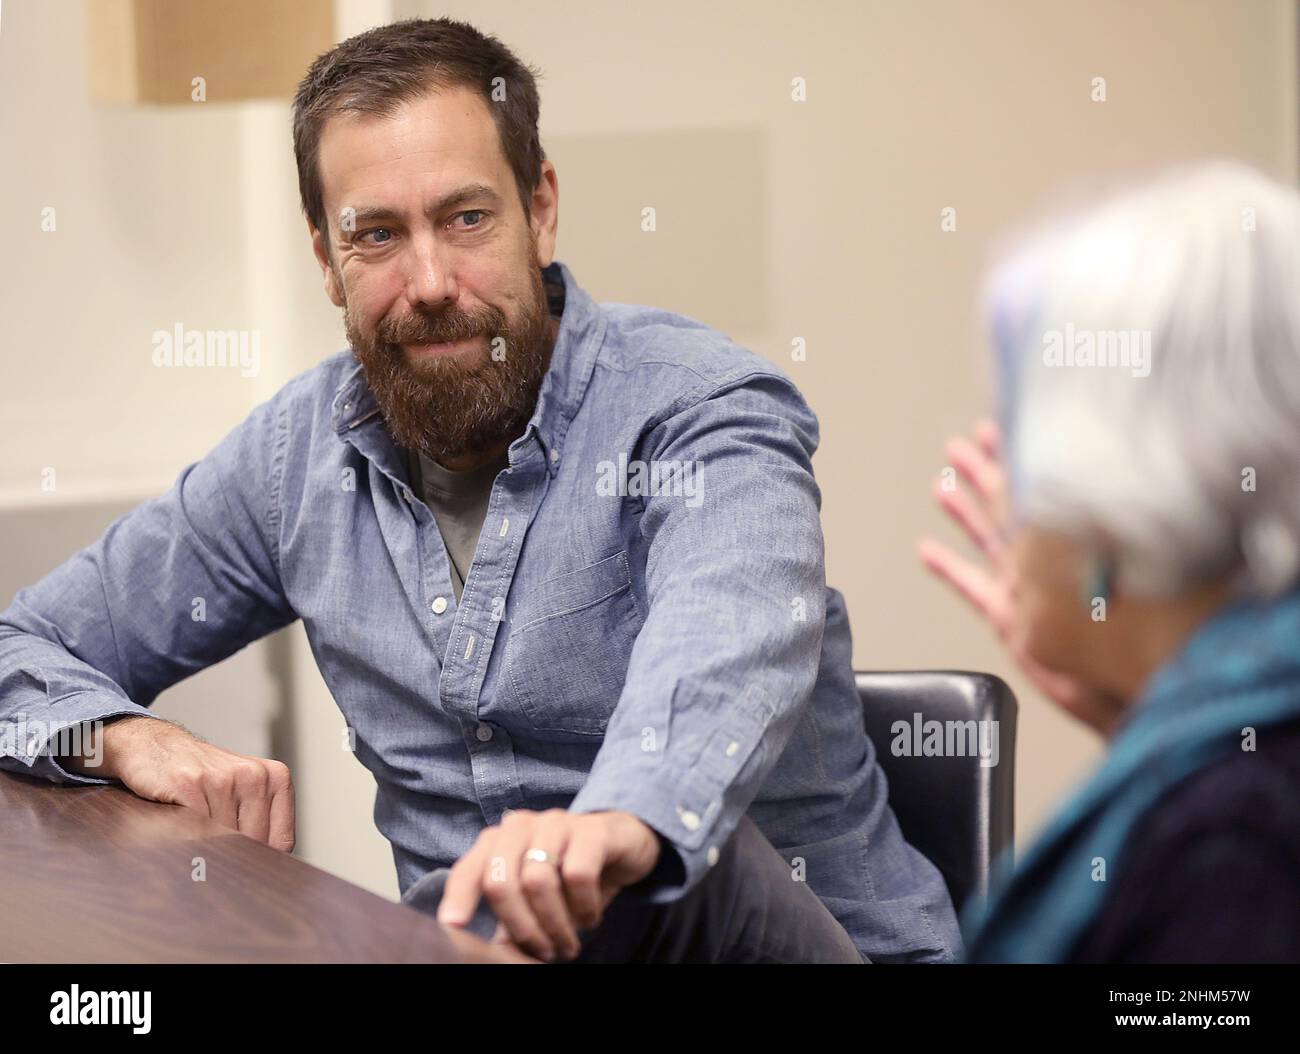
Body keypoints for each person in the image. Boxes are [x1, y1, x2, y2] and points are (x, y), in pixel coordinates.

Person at [0, 17, 959, 964]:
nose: (429, 281)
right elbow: (22, 645)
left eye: (467, 219)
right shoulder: (296, 461)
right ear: (328, 261)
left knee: (669, 871)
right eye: (376, 234)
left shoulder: (700, 410)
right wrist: (117, 734)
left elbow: (726, 637)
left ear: (540, 210)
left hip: (780, 943)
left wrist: (618, 825)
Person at [920, 160, 1300, 963]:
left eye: (1018, 432)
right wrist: (1144, 715)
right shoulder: (1241, 759)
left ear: (1105, 501)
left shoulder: (1236, 851)